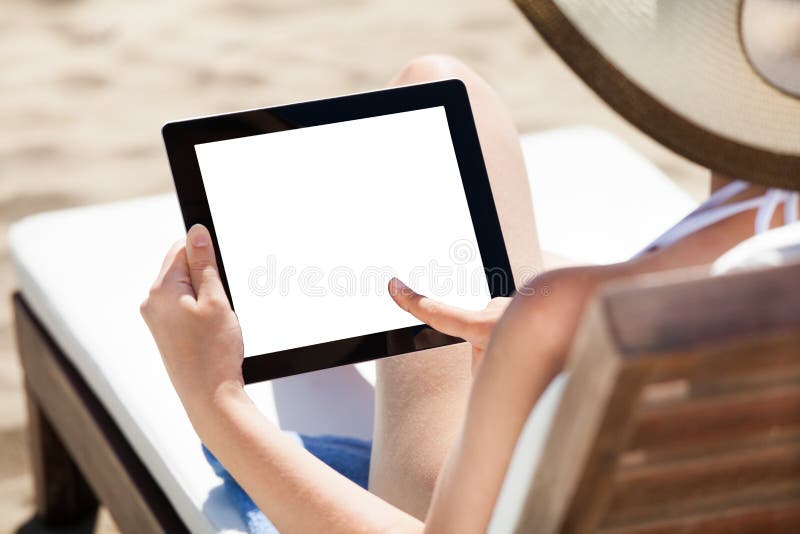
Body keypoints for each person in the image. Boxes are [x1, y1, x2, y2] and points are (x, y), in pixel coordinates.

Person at [140, 50, 800, 532]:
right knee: (445, 99)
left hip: (544, 499)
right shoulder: (773, 218)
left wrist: (216, 402)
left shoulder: (548, 317)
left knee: (433, 108)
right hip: (698, 435)